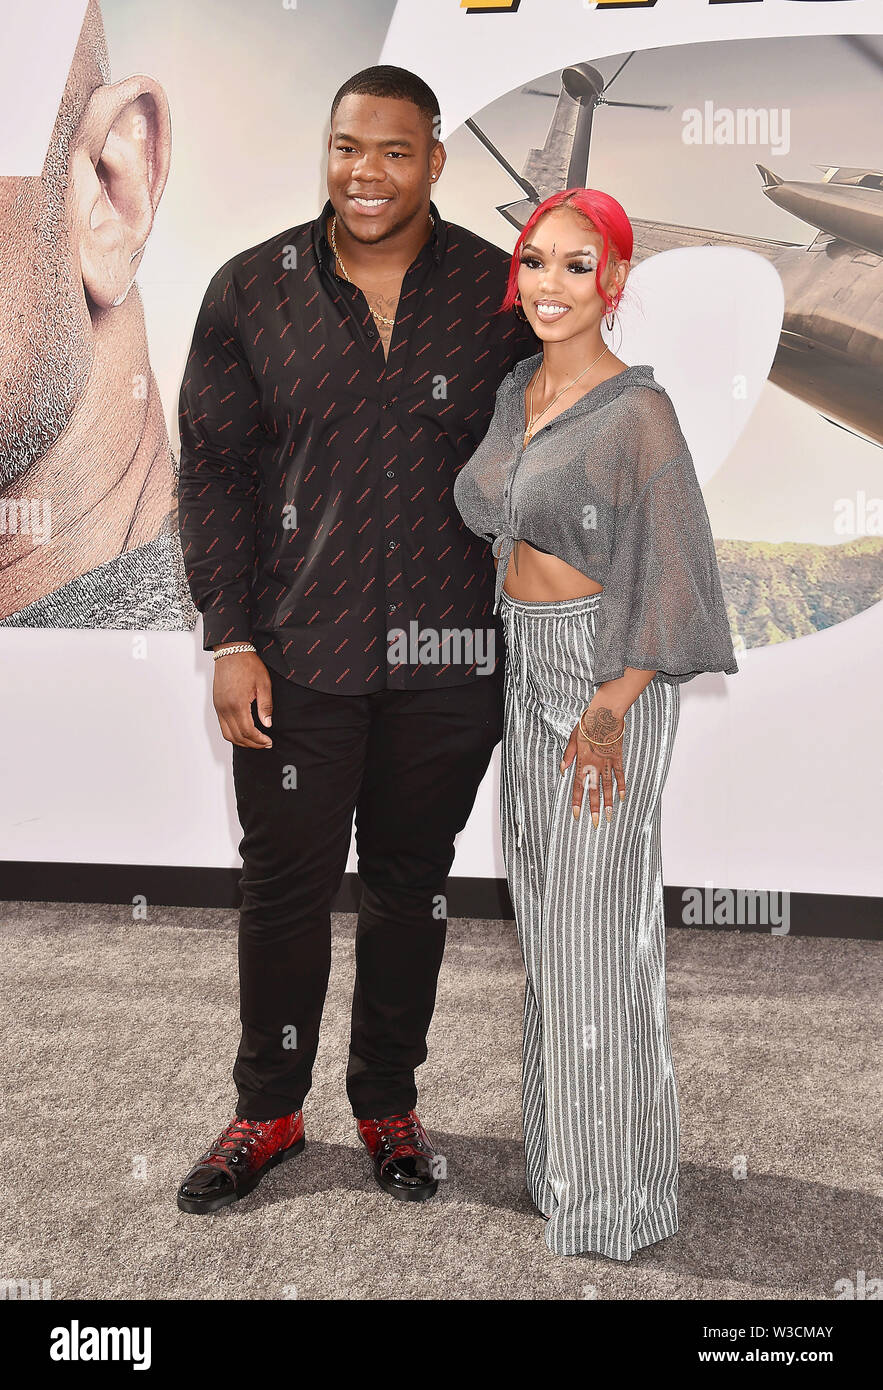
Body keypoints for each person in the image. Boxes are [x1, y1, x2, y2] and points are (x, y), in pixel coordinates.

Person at [174, 65, 538, 1213]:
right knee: (282, 891)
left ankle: (386, 1100)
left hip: (450, 662)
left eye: (390, 151)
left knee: (409, 885)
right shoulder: (250, 290)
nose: (362, 173)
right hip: (296, 656)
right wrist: (229, 637)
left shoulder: (498, 291)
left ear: (435, 159)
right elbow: (218, 476)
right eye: (344, 147)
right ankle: (267, 1109)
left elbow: (559, 445)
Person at [453, 187, 738, 1258]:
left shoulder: (638, 413)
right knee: (550, 934)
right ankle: (564, 1168)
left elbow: (677, 569)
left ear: (614, 284)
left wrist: (614, 702)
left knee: (590, 939)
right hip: (526, 666)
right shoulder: (516, 388)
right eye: (536, 261)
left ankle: (615, 1200)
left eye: (580, 266)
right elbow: (496, 517)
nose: (551, 285)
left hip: (601, 677)